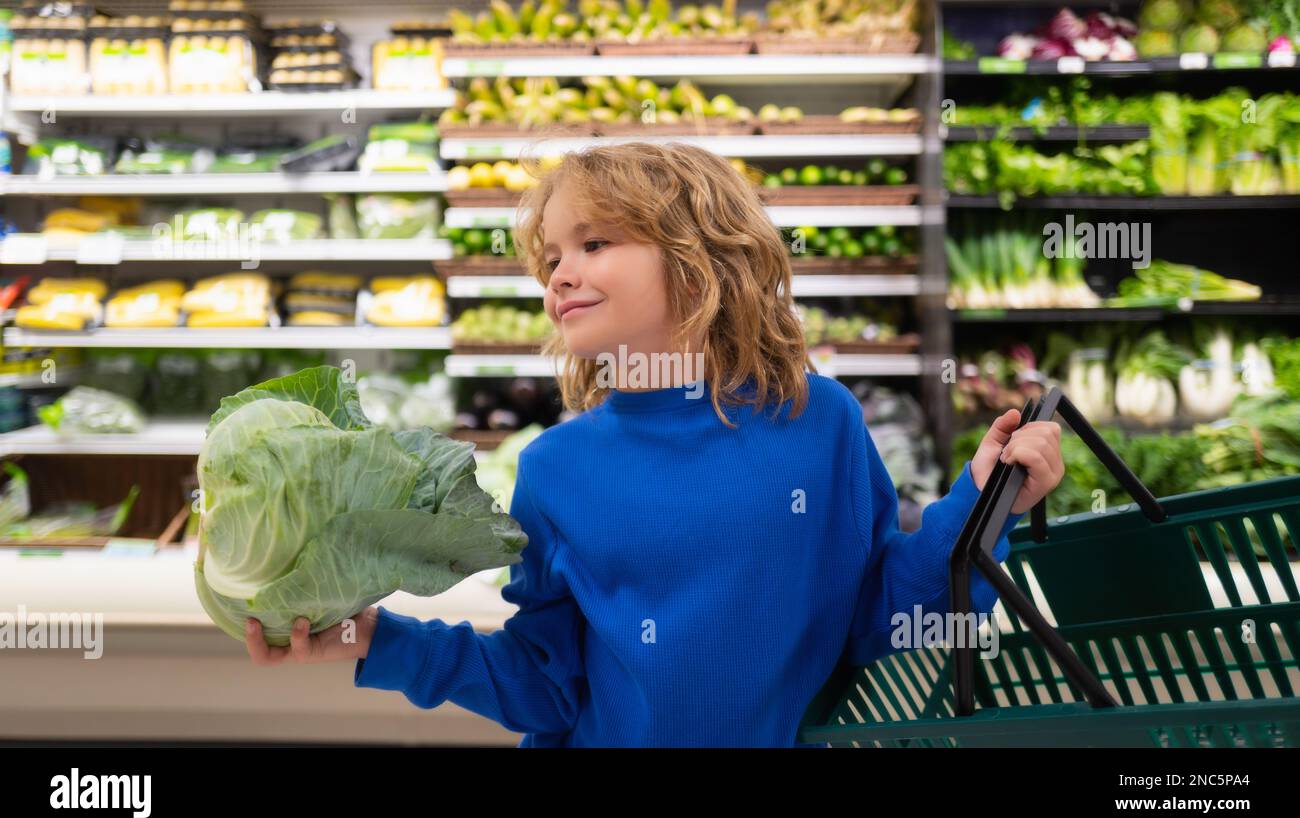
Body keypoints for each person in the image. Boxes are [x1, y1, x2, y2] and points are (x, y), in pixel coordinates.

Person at [245, 143, 1064, 747]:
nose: (560, 273)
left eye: (595, 244)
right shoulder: (555, 470)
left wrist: (984, 501)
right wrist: (376, 639)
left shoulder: (821, 424)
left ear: (701, 261)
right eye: (552, 256)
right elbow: (545, 686)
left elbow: (885, 616)